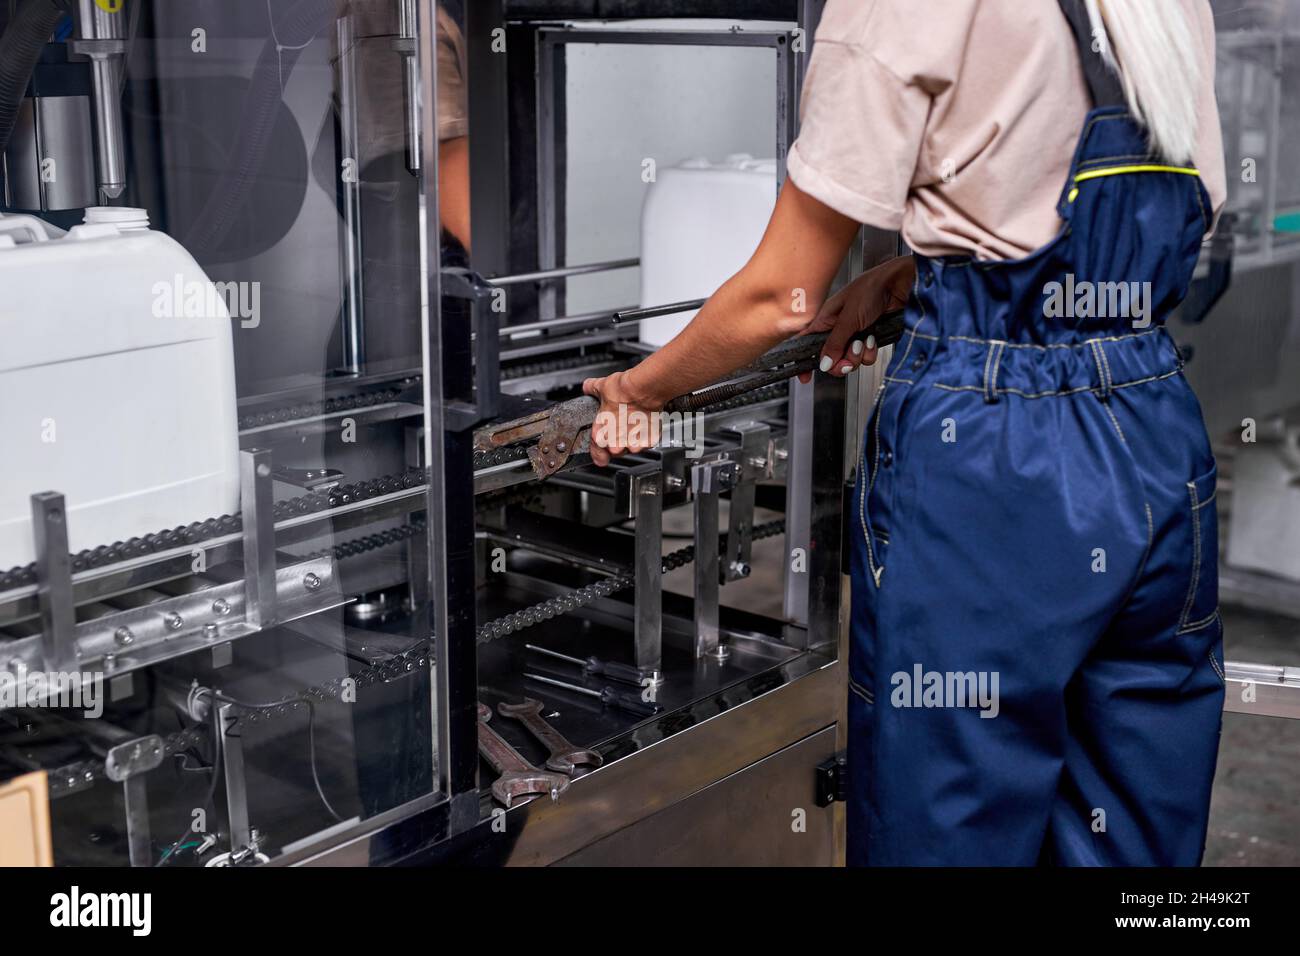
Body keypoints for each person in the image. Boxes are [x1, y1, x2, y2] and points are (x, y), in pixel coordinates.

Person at [582, 0, 1228, 866]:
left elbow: (786, 296)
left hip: (997, 454)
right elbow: (1115, 214)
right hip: (1152, 426)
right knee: (1135, 822)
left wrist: (641, 389)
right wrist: (920, 272)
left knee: (951, 819)